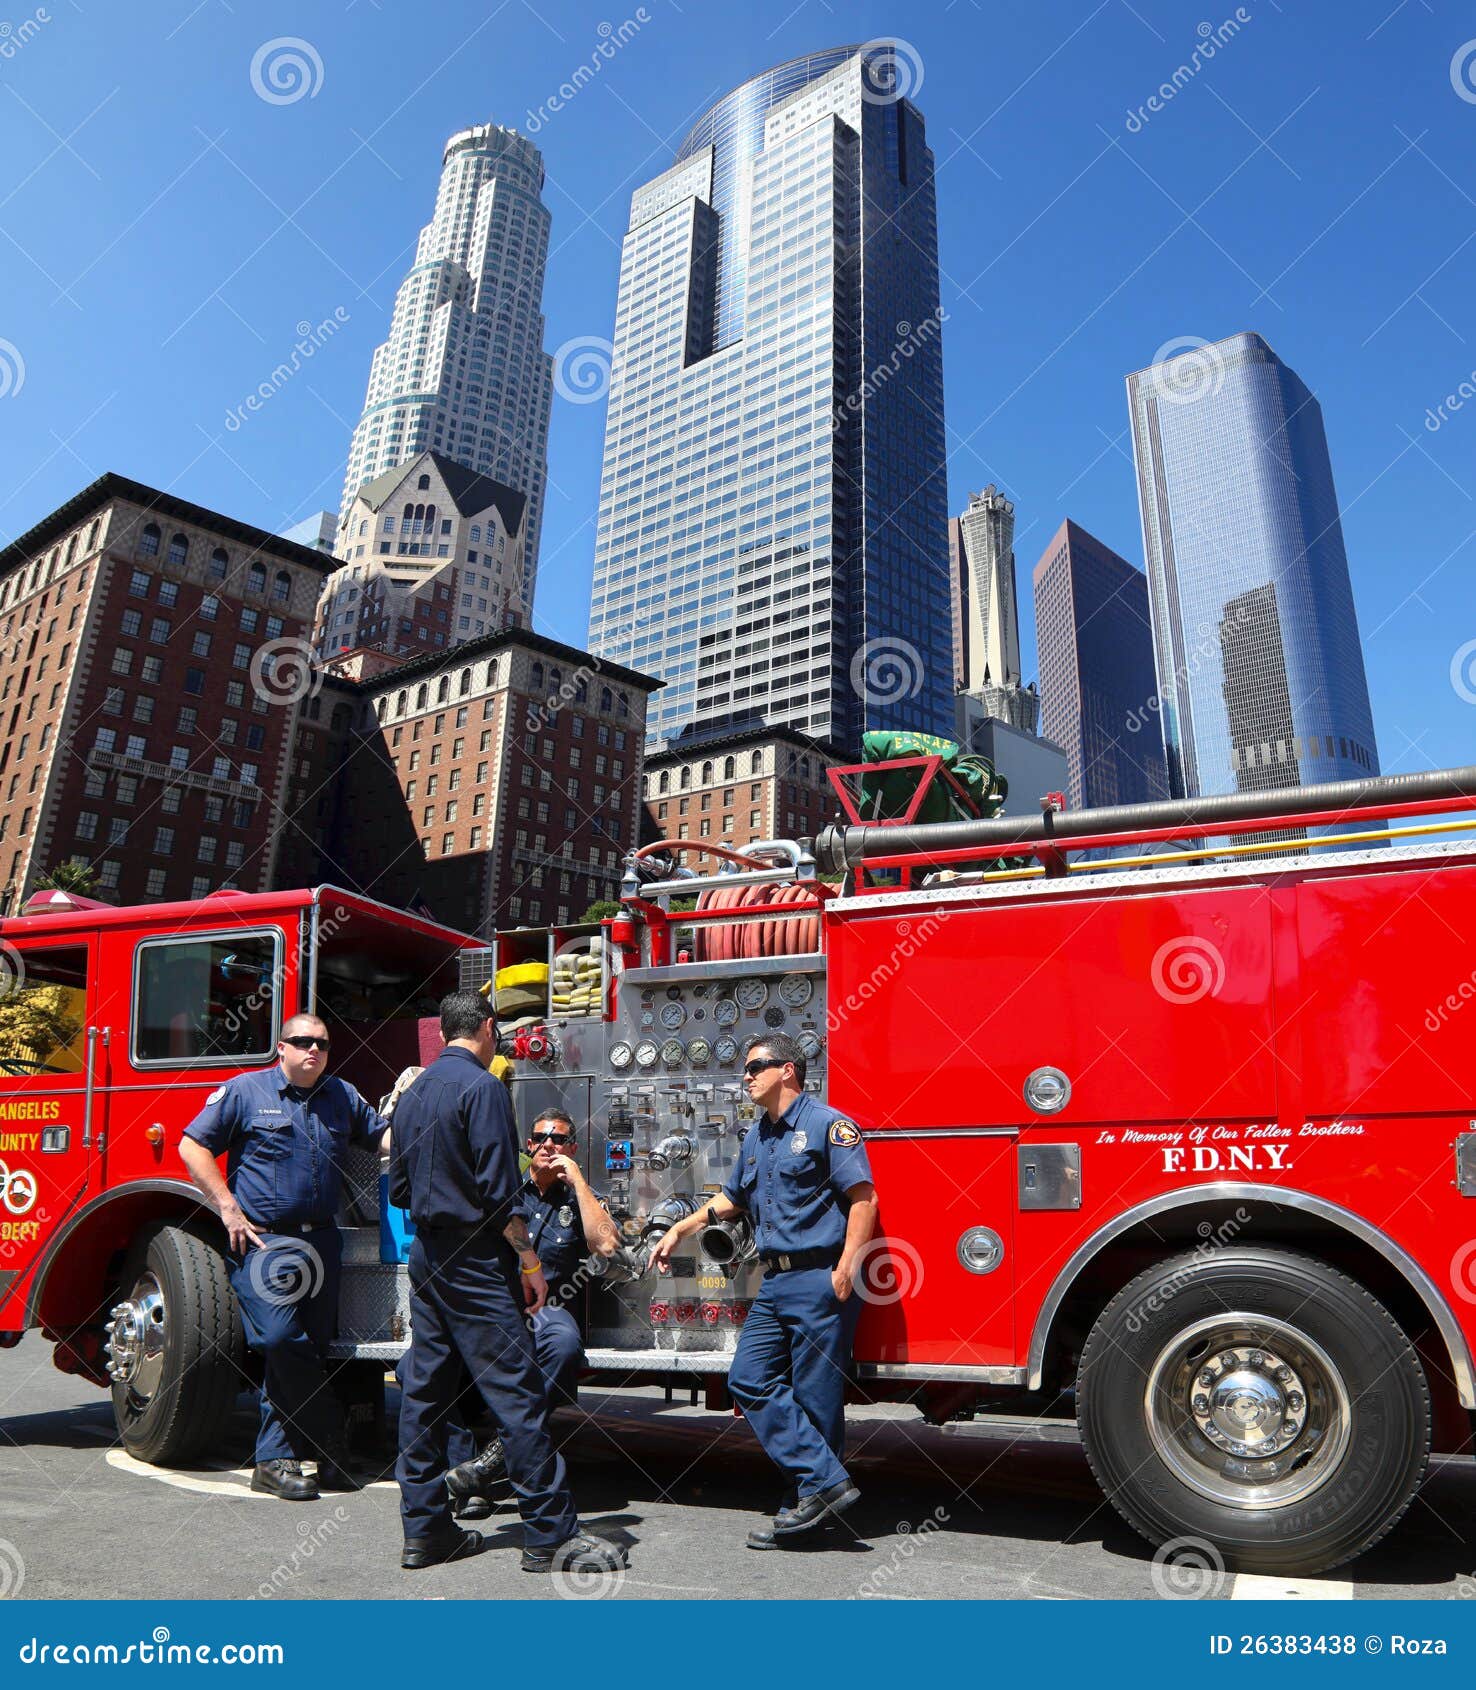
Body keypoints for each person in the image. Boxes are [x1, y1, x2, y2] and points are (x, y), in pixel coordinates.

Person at [389, 991, 627, 1575]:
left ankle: (425, 1532)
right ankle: (550, 1534)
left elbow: (396, 1189)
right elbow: (501, 1194)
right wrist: (529, 1263)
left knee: (423, 1392)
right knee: (517, 1395)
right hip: (475, 1258)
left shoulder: (413, 1092)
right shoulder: (485, 1089)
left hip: (428, 1255)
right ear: (489, 1030)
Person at [651, 1032, 877, 1550]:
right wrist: (678, 1229)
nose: (746, 1076)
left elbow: (864, 1199)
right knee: (748, 1378)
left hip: (820, 1277)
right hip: (775, 1281)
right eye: (746, 1068)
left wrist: (846, 1267)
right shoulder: (757, 1137)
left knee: (816, 1400)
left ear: (788, 1070)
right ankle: (824, 1483)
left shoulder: (828, 1126)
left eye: (756, 1066)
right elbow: (731, 1199)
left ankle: (807, 1512)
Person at [179, 1012, 387, 1501]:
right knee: (279, 1337)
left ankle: (274, 1461)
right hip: (266, 1242)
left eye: (322, 1043)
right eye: (302, 1041)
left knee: (307, 1349)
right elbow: (193, 1146)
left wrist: (433, 1128)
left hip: (323, 1242)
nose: (313, 1050)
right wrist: (227, 1207)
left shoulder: (342, 1095)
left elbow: (382, 1137)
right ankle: (330, 1441)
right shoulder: (246, 1091)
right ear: (282, 1047)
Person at [442, 1106, 618, 1510]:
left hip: (550, 1308)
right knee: (434, 1359)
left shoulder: (583, 1198)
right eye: (540, 1138)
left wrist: (577, 1181)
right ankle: (466, 1472)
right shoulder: (504, 1194)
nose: (548, 1145)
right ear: (528, 1145)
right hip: (498, 1306)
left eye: (558, 1139)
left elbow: (607, 1246)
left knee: (564, 1345)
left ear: (572, 1147)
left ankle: (489, 1463)